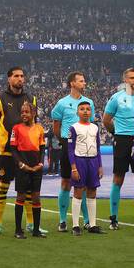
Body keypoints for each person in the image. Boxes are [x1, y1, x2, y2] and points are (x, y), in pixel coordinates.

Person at [0, 67, 36, 236]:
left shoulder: (31, 98)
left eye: (22, 76)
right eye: (16, 76)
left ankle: (31, 223)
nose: (20, 79)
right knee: (3, 186)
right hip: (6, 151)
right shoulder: (0, 99)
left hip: (25, 151)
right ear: (9, 79)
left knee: (28, 189)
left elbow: (33, 125)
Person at [102, 67, 134, 230]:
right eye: (132, 78)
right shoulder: (116, 98)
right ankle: (113, 217)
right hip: (122, 140)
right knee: (118, 178)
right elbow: (106, 119)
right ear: (125, 80)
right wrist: (117, 132)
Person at [49, 72, 93, 232]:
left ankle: (88, 220)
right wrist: (64, 141)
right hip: (69, 147)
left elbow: (90, 124)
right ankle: (62, 220)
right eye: (81, 81)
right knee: (66, 182)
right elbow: (56, 127)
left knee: (85, 184)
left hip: (86, 147)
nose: (84, 83)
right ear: (72, 83)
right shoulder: (62, 103)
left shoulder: (89, 103)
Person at [10, 101, 47, 239]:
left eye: (26, 112)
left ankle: (36, 230)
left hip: (36, 167)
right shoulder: (16, 128)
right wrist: (20, 164)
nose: (24, 114)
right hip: (22, 168)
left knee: (36, 197)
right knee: (21, 197)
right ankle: (18, 230)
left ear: (33, 113)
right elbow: (13, 149)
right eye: (22, 112)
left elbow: (42, 148)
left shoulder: (39, 128)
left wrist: (41, 164)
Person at [66, 101, 103, 235]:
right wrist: (74, 168)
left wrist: (100, 166)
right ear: (77, 112)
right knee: (78, 192)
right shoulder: (73, 128)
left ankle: (92, 224)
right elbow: (70, 150)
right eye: (82, 109)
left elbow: (98, 148)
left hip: (93, 161)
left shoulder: (95, 128)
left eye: (88, 109)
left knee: (92, 192)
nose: (86, 111)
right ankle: (76, 225)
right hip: (80, 161)